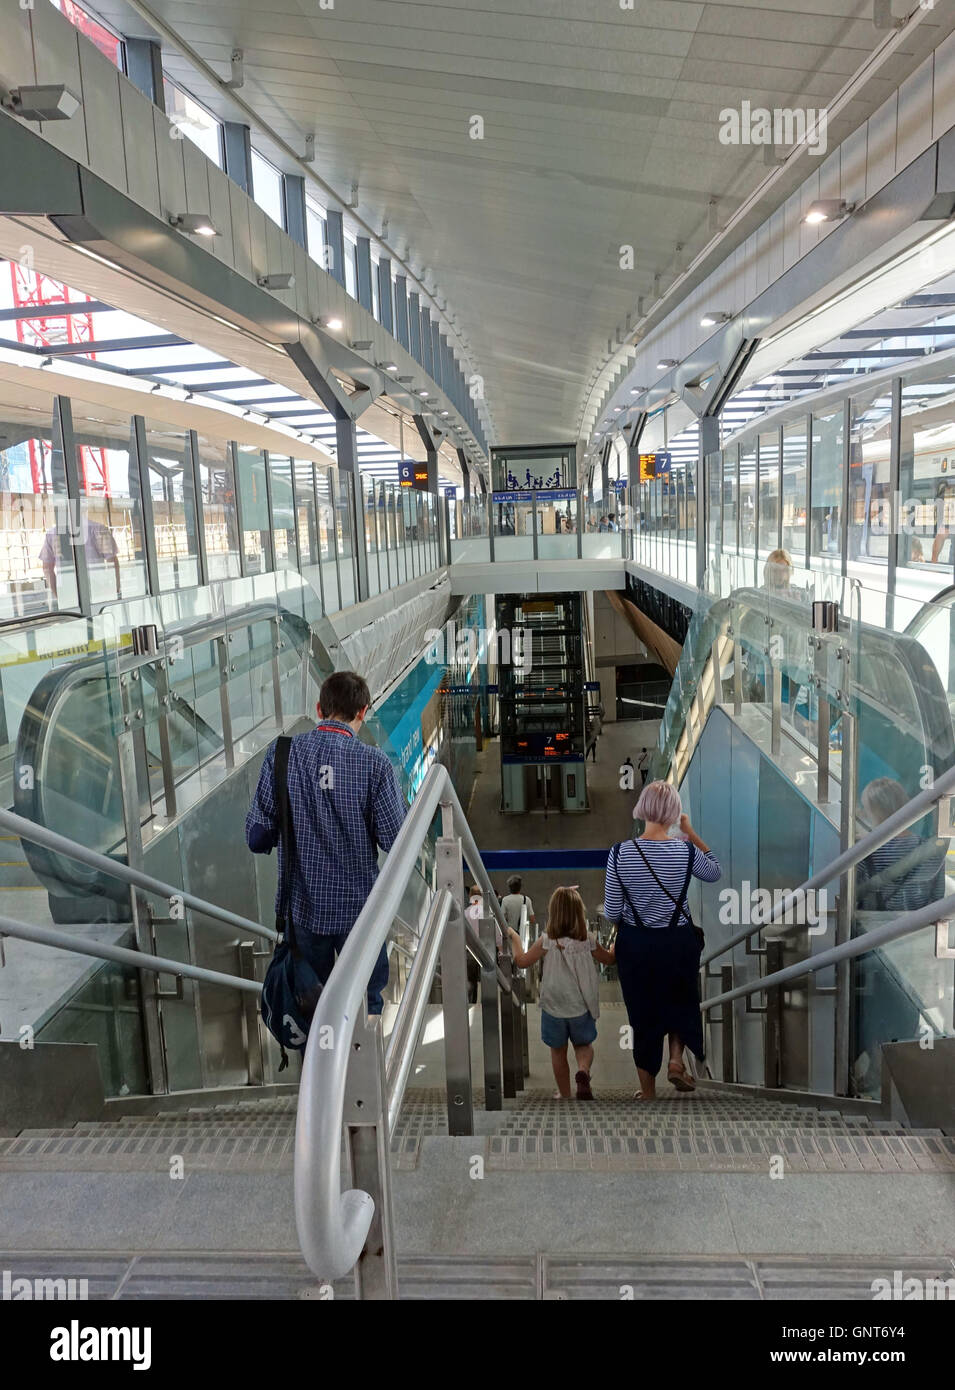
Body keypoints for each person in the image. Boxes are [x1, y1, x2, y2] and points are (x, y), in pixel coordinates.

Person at [245, 670, 407, 1015]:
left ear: (319, 709)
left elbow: (256, 838)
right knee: (365, 1004)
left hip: (303, 911)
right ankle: (363, 1048)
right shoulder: (375, 764)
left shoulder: (282, 754)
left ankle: (317, 1052)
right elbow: (396, 841)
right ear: (363, 711)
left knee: (310, 1005)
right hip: (360, 912)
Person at [605, 780, 721, 1101]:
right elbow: (714, 872)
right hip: (677, 943)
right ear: (673, 813)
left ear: (643, 808)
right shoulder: (685, 850)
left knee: (643, 1015)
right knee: (679, 1001)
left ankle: (648, 1092)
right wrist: (691, 833)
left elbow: (612, 910)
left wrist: (637, 912)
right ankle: (675, 1060)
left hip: (636, 947)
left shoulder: (620, 853)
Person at [508, 887, 615, 1101]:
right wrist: (614, 946)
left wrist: (515, 937)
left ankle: (565, 1094)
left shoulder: (547, 940)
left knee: (558, 1051)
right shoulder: (588, 939)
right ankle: (583, 1071)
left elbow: (522, 961)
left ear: (553, 912)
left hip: (553, 1006)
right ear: (579, 912)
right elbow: (609, 960)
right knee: (583, 1046)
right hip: (580, 1006)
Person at [856, 778, 946, 914]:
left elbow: (852, 896)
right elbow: (937, 899)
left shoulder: (864, 852)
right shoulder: (931, 851)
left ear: (877, 812)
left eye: (866, 809)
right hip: (919, 925)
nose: (863, 813)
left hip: (873, 925)